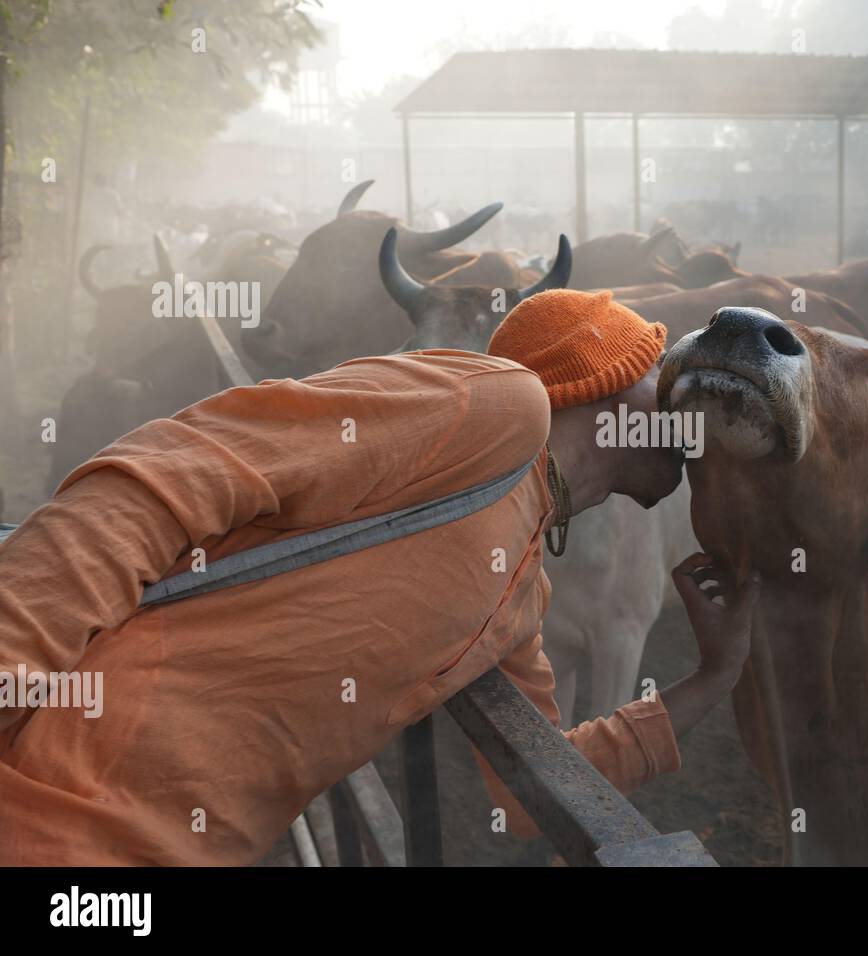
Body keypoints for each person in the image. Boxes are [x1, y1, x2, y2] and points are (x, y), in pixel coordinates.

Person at [0, 289, 759, 864]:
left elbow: (536, 791)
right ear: (603, 373)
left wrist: (714, 675)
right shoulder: (496, 405)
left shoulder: (523, 588)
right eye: (656, 367)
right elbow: (160, 479)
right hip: (47, 814)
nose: (676, 396)